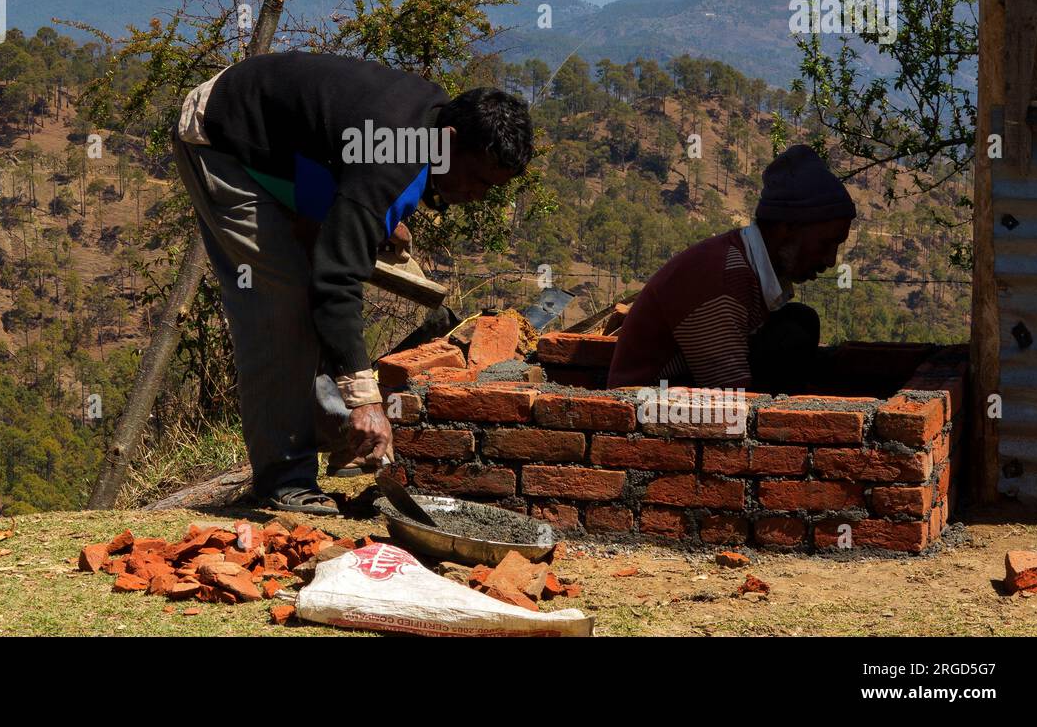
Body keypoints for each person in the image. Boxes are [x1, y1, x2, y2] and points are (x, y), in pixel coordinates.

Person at [172, 51, 533, 515]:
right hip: (223, 139)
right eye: (478, 179)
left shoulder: (427, 129)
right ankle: (284, 479)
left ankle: (341, 433)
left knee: (312, 284)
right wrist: (366, 400)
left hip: (286, 151)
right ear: (450, 140)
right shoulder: (394, 155)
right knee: (282, 302)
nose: (477, 195)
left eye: (491, 188)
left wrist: (374, 219)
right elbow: (336, 279)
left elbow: (354, 178)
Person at [608, 144, 855, 391]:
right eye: (826, 243)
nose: (830, 260)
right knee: (791, 335)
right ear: (787, 228)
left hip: (686, 402)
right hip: (653, 410)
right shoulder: (722, 279)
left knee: (800, 322)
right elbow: (731, 399)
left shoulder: (740, 259)